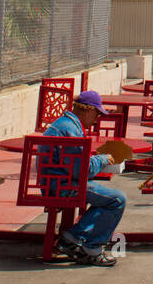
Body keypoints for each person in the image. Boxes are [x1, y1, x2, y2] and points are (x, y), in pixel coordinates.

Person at [41, 91, 125, 267]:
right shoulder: (70, 130)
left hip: (55, 182)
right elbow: (82, 170)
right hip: (63, 186)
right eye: (97, 114)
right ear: (88, 110)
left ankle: (72, 238)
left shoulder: (64, 124)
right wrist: (103, 159)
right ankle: (90, 248)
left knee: (105, 198)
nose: (97, 120)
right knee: (117, 200)